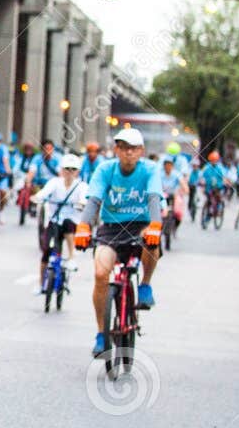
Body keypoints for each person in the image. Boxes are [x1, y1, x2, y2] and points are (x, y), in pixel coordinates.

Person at [73, 127, 162, 358]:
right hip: (110, 229)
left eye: (133, 149)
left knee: (152, 242)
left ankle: (145, 284)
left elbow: (153, 198)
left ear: (141, 151)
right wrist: (83, 227)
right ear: (116, 150)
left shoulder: (151, 170)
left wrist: (155, 225)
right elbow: (93, 200)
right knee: (101, 274)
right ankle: (102, 334)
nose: (128, 153)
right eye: (123, 148)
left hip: (140, 225)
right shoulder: (105, 169)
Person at [33, 153, 88, 284]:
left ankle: (71, 257)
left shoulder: (82, 186)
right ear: (61, 170)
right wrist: (37, 198)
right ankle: (41, 284)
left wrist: (81, 204)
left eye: (73, 169)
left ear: (78, 171)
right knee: (46, 252)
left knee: (68, 223)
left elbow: (84, 198)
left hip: (72, 223)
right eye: (67, 168)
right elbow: (43, 194)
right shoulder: (54, 183)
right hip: (54, 221)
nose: (69, 172)